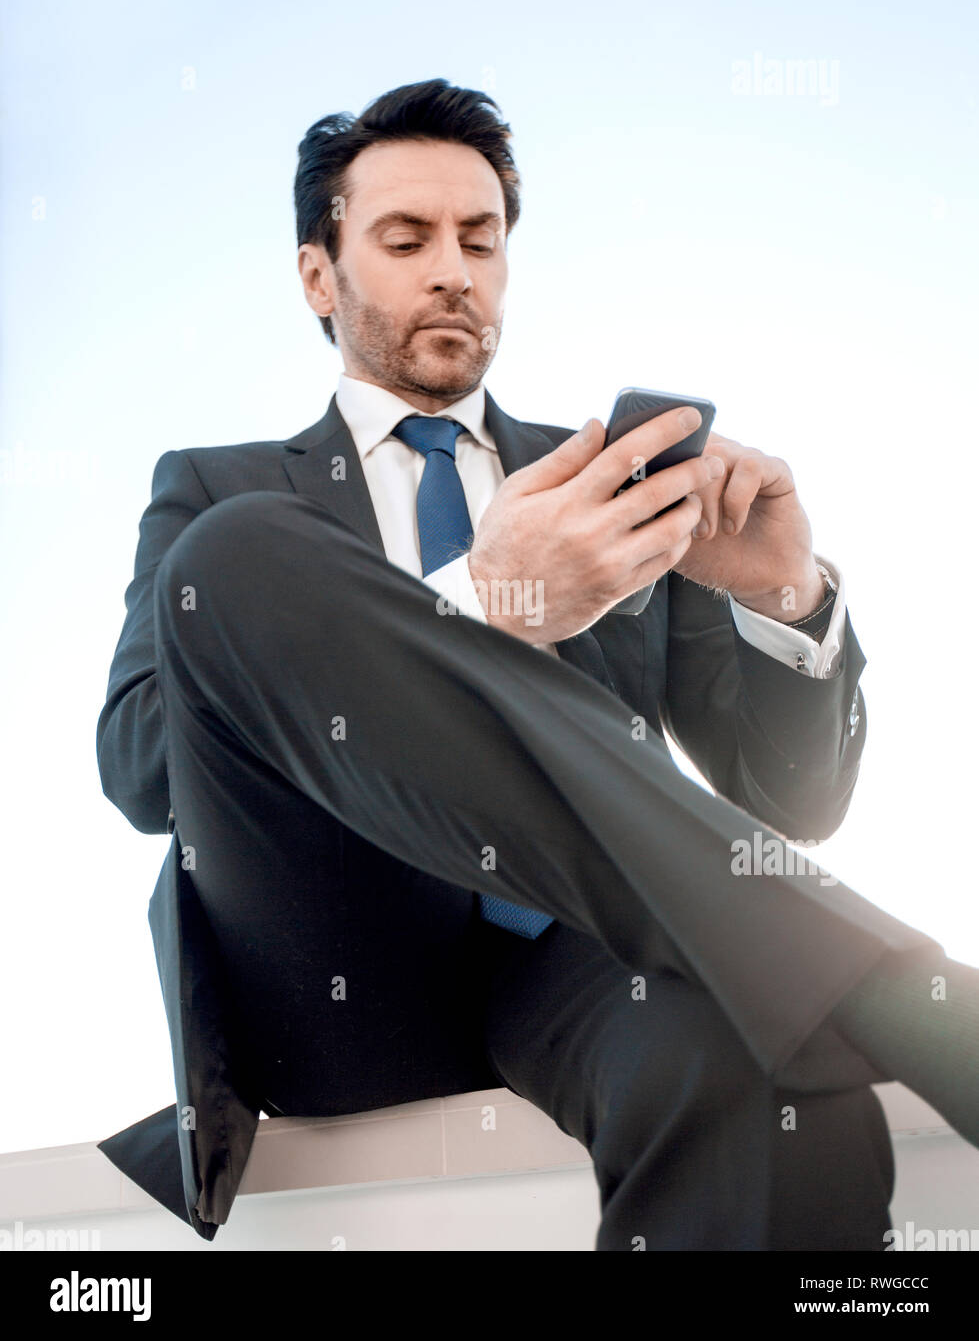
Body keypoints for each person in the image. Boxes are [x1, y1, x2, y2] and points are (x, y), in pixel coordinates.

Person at [96, 78, 979, 1250]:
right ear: (320, 275)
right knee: (238, 556)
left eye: (482, 239)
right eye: (405, 239)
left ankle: (845, 989)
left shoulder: (605, 489)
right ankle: (900, 993)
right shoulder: (221, 485)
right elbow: (143, 766)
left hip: (572, 967)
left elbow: (788, 804)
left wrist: (782, 593)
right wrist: (482, 603)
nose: (454, 269)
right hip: (331, 966)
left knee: (760, 1071)